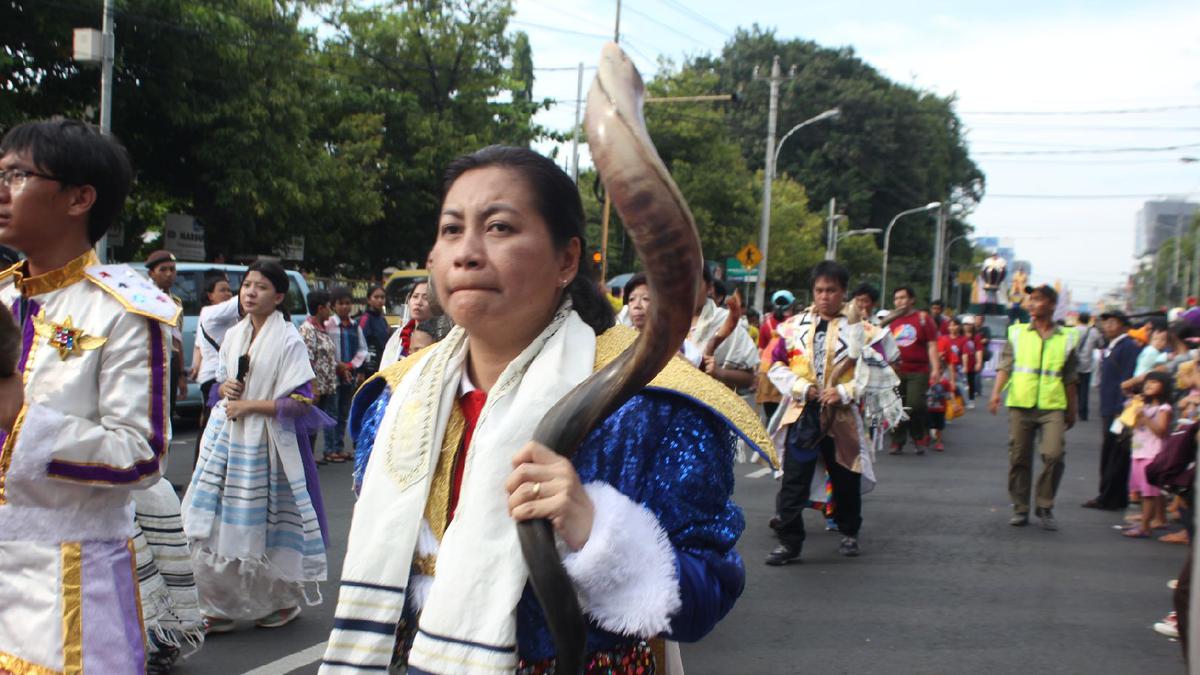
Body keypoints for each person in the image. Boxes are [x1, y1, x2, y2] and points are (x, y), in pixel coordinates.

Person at [322, 146, 767, 672]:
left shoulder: (648, 403)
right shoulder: (393, 401)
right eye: (450, 230)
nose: (466, 252)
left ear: (566, 260)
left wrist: (591, 528)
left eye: (500, 228)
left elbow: (705, 596)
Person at [0, 118, 178, 671]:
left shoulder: (122, 310)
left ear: (80, 198)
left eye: (18, 175)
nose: (1, 188)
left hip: (67, 581)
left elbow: (141, 453)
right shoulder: (5, 294)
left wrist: (21, 420)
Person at [182, 261, 331, 633]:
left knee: (267, 527)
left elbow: (303, 401)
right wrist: (225, 389)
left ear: (278, 296)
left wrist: (250, 405)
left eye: (261, 287)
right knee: (213, 524)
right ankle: (217, 605)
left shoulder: (289, 339)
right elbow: (220, 383)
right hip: (227, 441)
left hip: (269, 447)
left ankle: (279, 602)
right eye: (246, 285)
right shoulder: (234, 334)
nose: (250, 292)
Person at [765, 260, 871, 564]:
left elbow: (870, 370)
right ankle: (789, 541)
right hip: (803, 413)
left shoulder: (859, 329)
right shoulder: (792, 327)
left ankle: (850, 531)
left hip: (841, 416)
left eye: (831, 290)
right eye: (819, 290)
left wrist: (843, 392)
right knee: (794, 478)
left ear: (843, 293)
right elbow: (775, 365)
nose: (825, 296)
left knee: (845, 476)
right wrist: (801, 388)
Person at [989, 284, 1079, 530]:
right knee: (1019, 457)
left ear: (1051, 304)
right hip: (1021, 402)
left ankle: (1044, 505)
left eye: (1037, 299)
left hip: (1052, 405)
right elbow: (1005, 365)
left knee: (1054, 455)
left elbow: (1071, 376)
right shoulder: (1017, 333)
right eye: (1031, 299)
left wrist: (1072, 409)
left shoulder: (1067, 337)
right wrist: (996, 394)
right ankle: (1020, 508)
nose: (1031, 303)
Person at [1083, 310, 1141, 511]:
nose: (1107, 326)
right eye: (1106, 322)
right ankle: (1113, 496)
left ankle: (1108, 498)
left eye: (1113, 322)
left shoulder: (1128, 347)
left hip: (1118, 410)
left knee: (1115, 453)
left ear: (1124, 326)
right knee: (1112, 452)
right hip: (1109, 407)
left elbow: (1127, 379)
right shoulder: (1113, 346)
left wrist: (1120, 409)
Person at [191, 273, 238, 466]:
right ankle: (200, 471)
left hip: (214, 376)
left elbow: (198, 346)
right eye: (222, 290)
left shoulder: (215, 314)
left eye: (229, 289)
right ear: (210, 295)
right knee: (212, 428)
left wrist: (194, 366)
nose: (227, 293)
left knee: (214, 426)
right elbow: (241, 301)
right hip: (213, 379)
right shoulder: (212, 312)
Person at [888, 286, 941, 454]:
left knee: (915, 405)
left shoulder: (923, 319)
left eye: (903, 298)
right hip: (895, 371)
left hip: (918, 371)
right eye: (897, 298)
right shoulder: (890, 320)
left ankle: (918, 436)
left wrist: (936, 369)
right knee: (896, 406)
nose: (900, 301)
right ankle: (897, 441)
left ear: (912, 300)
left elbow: (932, 345)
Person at [1123, 372, 1174, 538]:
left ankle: (1145, 526)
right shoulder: (1143, 405)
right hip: (1138, 452)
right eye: (1147, 382)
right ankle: (1148, 520)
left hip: (1153, 454)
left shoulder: (1163, 408)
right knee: (1143, 492)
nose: (1148, 385)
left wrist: (1145, 418)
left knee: (1149, 493)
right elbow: (1133, 425)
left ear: (1164, 387)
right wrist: (1131, 412)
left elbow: (1161, 431)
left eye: (1154, 382)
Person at [690, 264, 757, 390]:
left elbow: (749, 379)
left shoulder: (725, 320)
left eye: (693, 283)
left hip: (707, 405)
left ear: (709, 287)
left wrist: (719, 372)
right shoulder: (660, 322)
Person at [324, 287, 367, 463]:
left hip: (348, 373)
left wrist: (351, 366)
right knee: (331, 411)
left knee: (343, 411)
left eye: (348, 303)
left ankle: (339, 447)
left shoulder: (355, 326)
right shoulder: (329, 325)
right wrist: (337, 365)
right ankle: (329, 448)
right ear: (333, 306)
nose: (345, 307)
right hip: (333, 374)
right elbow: (326, 350)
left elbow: (362, 349)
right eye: (340, 303)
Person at [299, 290, 342, 464]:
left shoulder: (322, 329)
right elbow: (307, 360)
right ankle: (307, 457)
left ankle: (312, 456)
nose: (330, 312)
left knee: (317, 422)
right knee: (309, 423)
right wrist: (313, 386)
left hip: (326, 385)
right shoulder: (307, 330)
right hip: (315, 386)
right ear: (320, 308)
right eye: (328, 308)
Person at [147, 249, 189, 416]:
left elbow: (177, 340)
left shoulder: (176, 302)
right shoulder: (144, 299)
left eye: (172, 269)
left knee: (167, 412)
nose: (169, 274)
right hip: (150, 361)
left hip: (169, 362)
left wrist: (181, 375)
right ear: (151, 273)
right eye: (163, 269)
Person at [379, 279, 433, 368]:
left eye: (426, 298)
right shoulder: (399, 335)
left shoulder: (440, 336)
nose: (418, 302)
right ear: (409, 300)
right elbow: (385, 369)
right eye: (415, 296)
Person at [357, 285, 390, 379]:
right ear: (369, 300)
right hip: (369, 366)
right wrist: (361, 370)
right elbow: (360, 344)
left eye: (382, 297)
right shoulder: (366, 319)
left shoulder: (382, 319)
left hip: (381, 364)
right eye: (376, 297)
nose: (380, 300)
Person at [1074, 312, 1103, 421]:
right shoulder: (1094, 331)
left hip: (1074, 365)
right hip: (1087, 365)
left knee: (1072, 390)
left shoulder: (1074, 330)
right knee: (1084, 390)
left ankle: (1070, 410)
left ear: (1078, 319)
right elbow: (1100, 344)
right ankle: (1083, 413)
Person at [961, 316, 985, 408]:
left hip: (971, 364)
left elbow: (979, 350)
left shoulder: (976, 337)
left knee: (971, 382)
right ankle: (961, 400)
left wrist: (979, 362)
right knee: (960, 383)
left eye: (969, 324)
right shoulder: (960, 336)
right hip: (959, 364)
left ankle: (971, 399)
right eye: (965, 324)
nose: (967, 326)